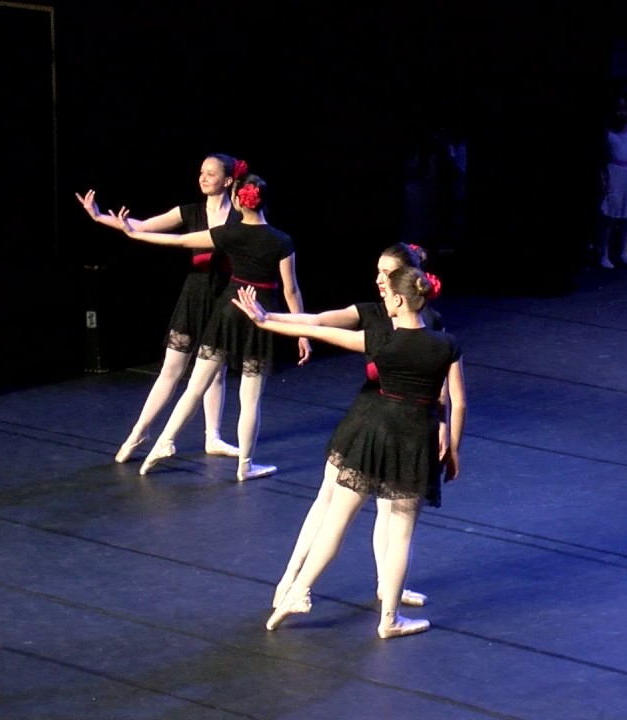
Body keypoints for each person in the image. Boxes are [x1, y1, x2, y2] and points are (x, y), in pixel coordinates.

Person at [238, 266, 466, 639]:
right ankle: (389, 619)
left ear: (396, 299)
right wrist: (453, 448)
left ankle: (297, 590)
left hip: (372, 432)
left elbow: (317, 329)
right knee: (401, 534)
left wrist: (265, 322)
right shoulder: (447, 344)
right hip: (413, 438)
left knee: (337, 521)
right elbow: (457, 403)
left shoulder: (383, 342)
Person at [113, 169, 310, 481]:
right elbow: (291, 290)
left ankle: (162, 444)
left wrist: (135, 233)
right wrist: (302, 331)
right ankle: (245, 465)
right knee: (250, 398)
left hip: (227, 313)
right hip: (259, 317)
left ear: (237, 200)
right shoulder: (281, 241)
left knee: (195, 386)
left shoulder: (230, 233)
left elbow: (180, 240)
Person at [75, 154, 246, 463]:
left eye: (211, 173)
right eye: (201, 173)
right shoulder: (189, 211)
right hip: (194, 296)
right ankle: (139, 432)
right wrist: (101, 217)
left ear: (228, 181)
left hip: (224, 299)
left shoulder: (239, 216)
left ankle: (213, 437)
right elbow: (140, 226)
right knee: (171, 370)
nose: (203, 178)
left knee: (215, 372)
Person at [598, 95, 627, 269]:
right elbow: (601, 159)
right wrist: (602, 179)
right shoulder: (608, 133)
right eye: (618, 109)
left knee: (626, 216)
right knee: (609, 216)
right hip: (614, 173)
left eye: (624, 109)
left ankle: (623, 253)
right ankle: (604, 254)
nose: (621, 113)